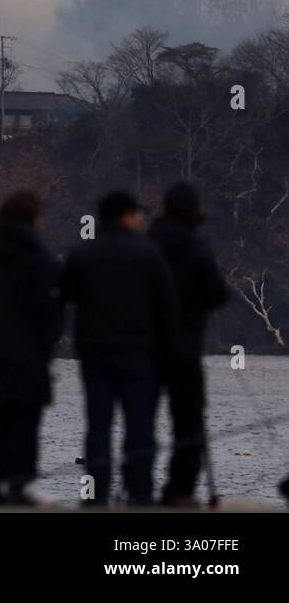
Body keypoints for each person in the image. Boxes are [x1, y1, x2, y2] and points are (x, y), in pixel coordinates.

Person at [61, 190, 179, 506]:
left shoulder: (83, 254)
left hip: (95, 353)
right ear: (127, 215)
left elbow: (65, 295)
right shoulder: (149, 254)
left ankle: (97, 495)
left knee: (98, 425)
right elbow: (167, 307)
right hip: (140, 354)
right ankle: (139, 492)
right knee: (140, 425)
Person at [0, 191, 62, 505]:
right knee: (25, 422)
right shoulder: (40, 259)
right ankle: (18, 486)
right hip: (29, 355)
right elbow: (50, 311)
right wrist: (46, 348)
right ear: (33, 218)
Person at [147, 182, 229, 506]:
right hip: (186, 349)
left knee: (142, 420)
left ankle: (138, 485)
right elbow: (218, 295)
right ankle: (181, 488)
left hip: (148, 348)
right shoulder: (198, 247)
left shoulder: (148, 243)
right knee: (190, 422)